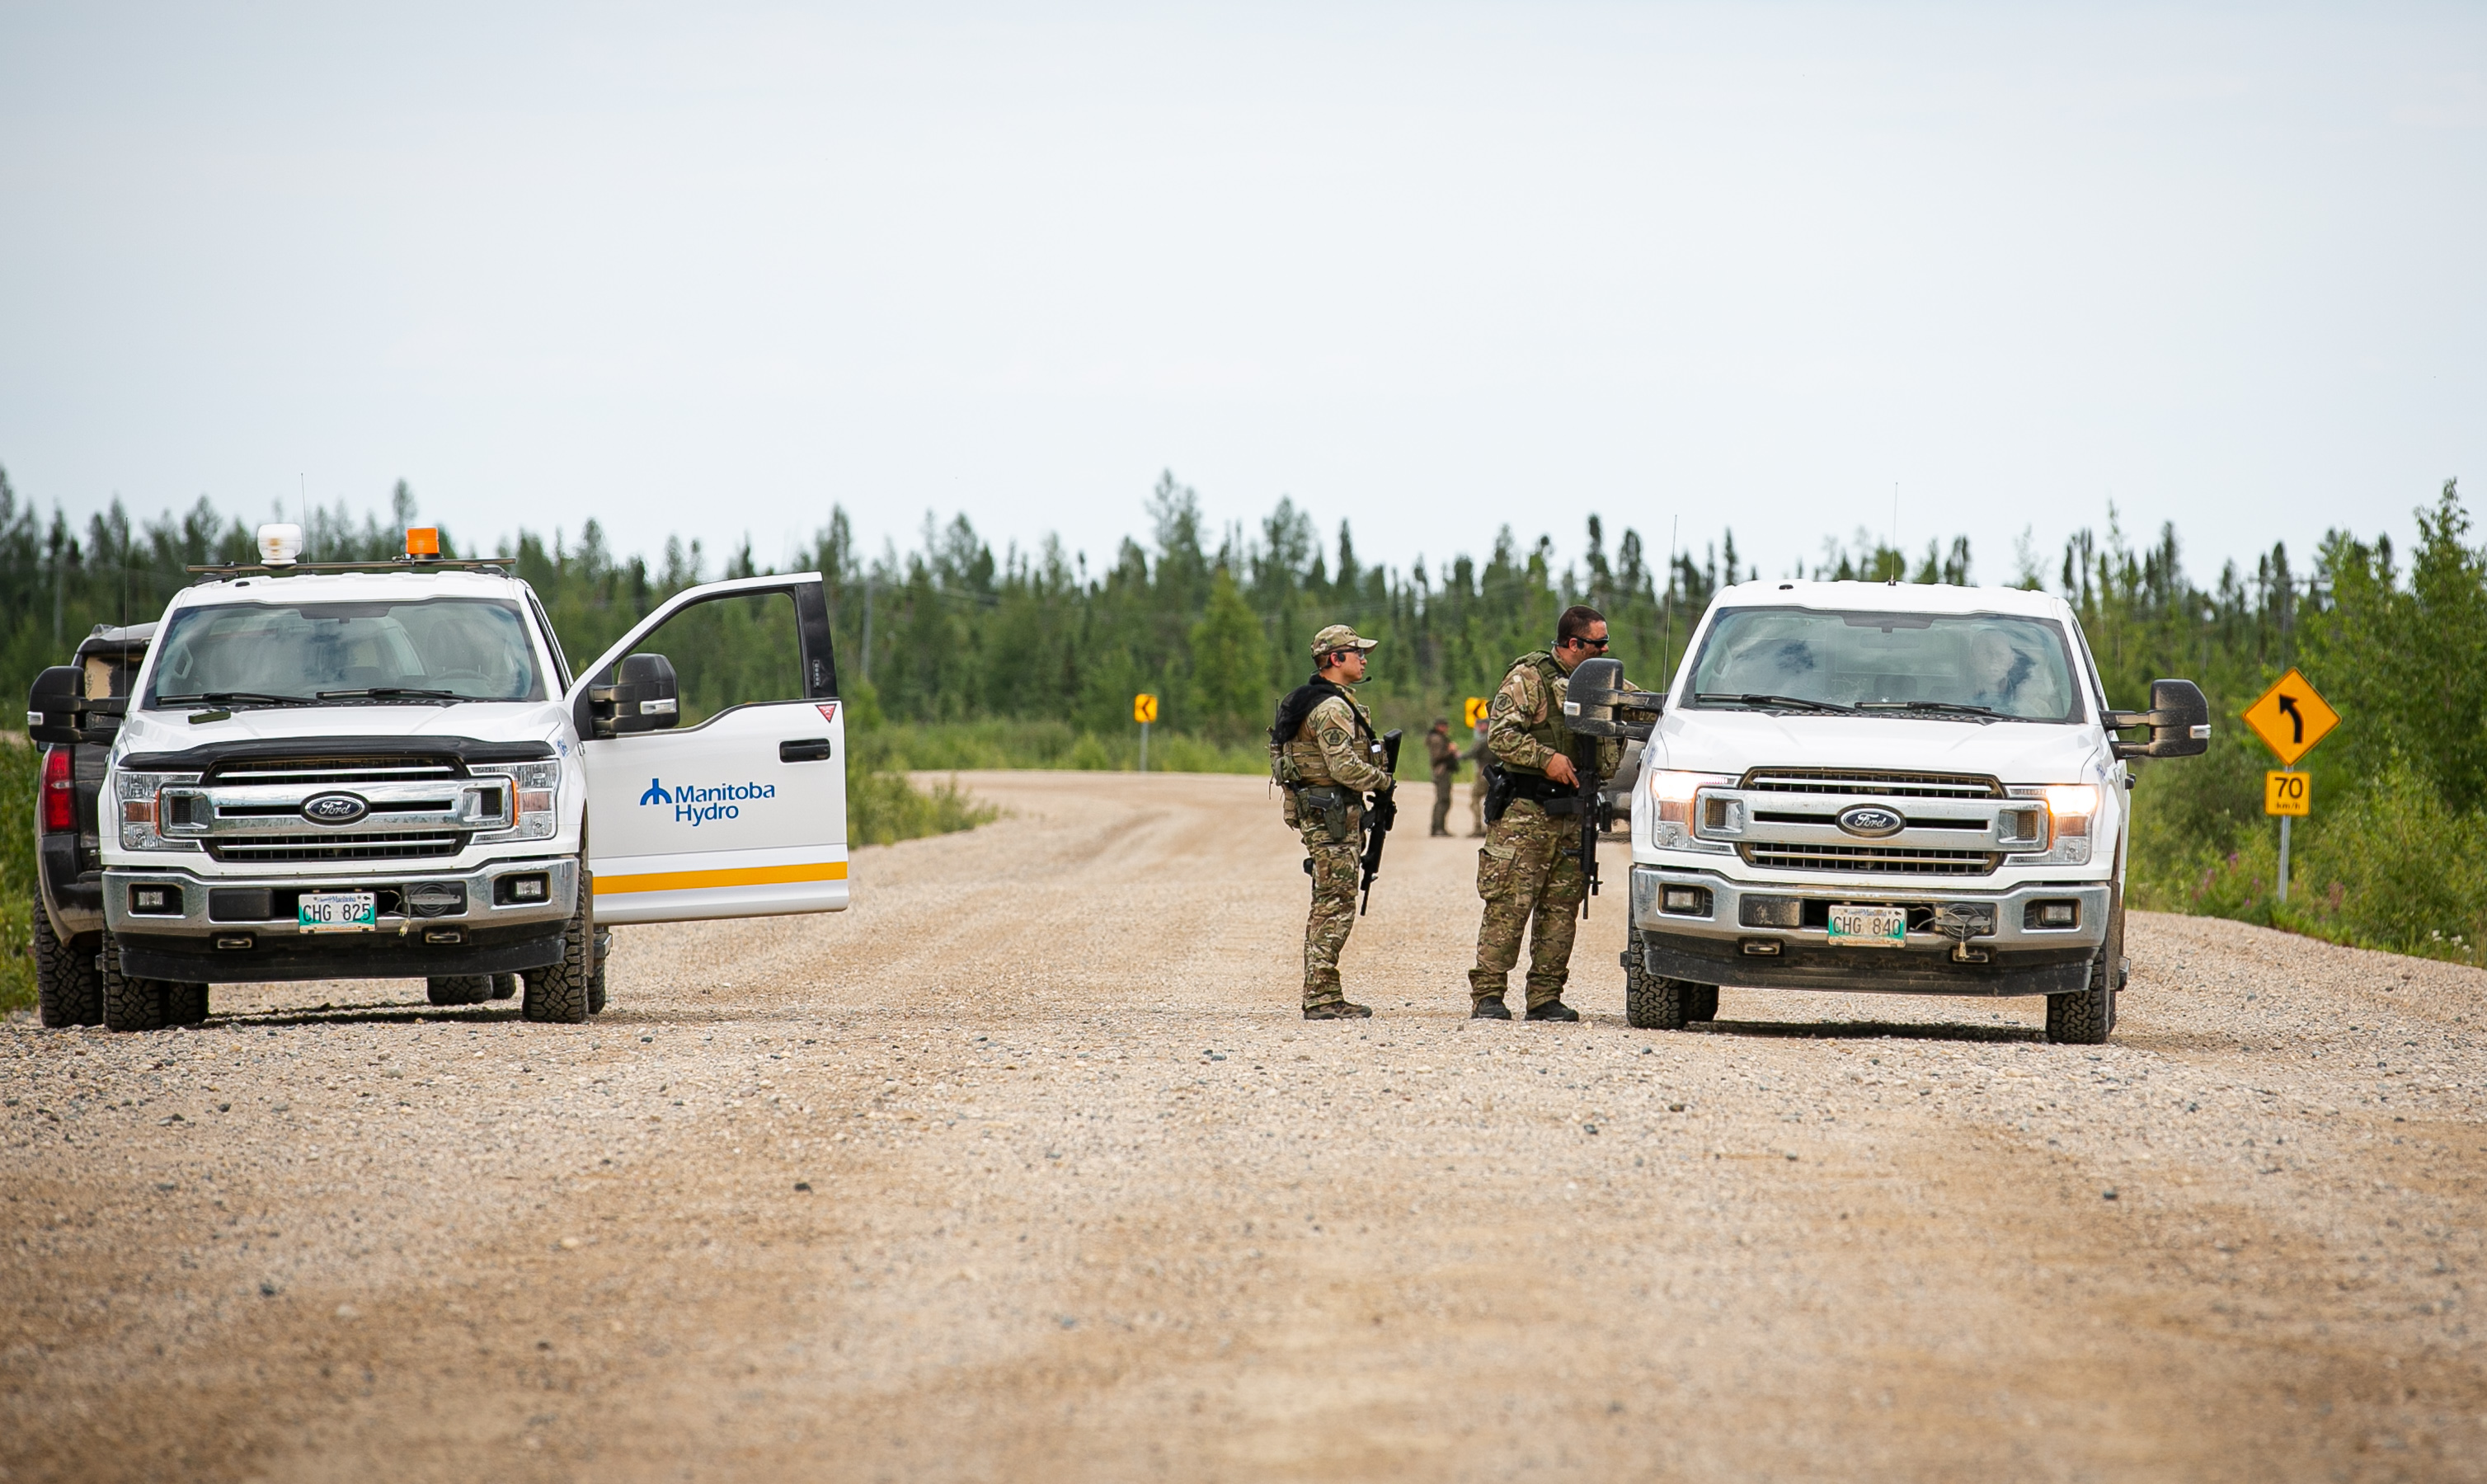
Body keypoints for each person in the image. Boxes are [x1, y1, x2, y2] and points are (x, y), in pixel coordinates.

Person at [1466, 605, 1626, 1021]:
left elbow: (1639, 706)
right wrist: (1546, 758)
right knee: (1509, 905)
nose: (1606, 648)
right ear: (1574, 644)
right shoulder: (1529, 679)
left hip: (1573, 816)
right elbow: (1500, 736)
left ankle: (1544, 997)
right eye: (1598, 643)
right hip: (1526, 814)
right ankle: (1488, 996)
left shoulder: (1601, 681)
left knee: (1561, 908)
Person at [1270, 624, 1395, 1020]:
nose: (1364, 659)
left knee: (1329, 900)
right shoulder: (1331, 708)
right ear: (1334, 659)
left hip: (1327, 812)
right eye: (1356, 652)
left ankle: (1322, 992)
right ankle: (1322, 997)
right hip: (1332, 815)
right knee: (1334, 903)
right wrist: (1383, 780)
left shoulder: (1313, 701)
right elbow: (1343, 767)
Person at [1425, 718, 1460, 836]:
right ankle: (1438, 828)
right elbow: (1437, 756)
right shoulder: (1437, 739)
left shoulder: (1439, 738)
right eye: (1444, 726)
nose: (1446, 728)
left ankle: (1439, 827)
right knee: (1443, 800)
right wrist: (1450, 751)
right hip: (1441, 771)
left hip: (1443, 771)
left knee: (1443, 800)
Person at [1465, 714, 1490, 837]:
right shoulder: (1495, 739)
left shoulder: (1483, 741)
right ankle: (1489, 827)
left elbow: (1472, 753)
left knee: (1475, 799)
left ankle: (1478, 827)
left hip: (1483, 772)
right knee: (1490, 800)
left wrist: (1459, 757)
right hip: (1494, 773)